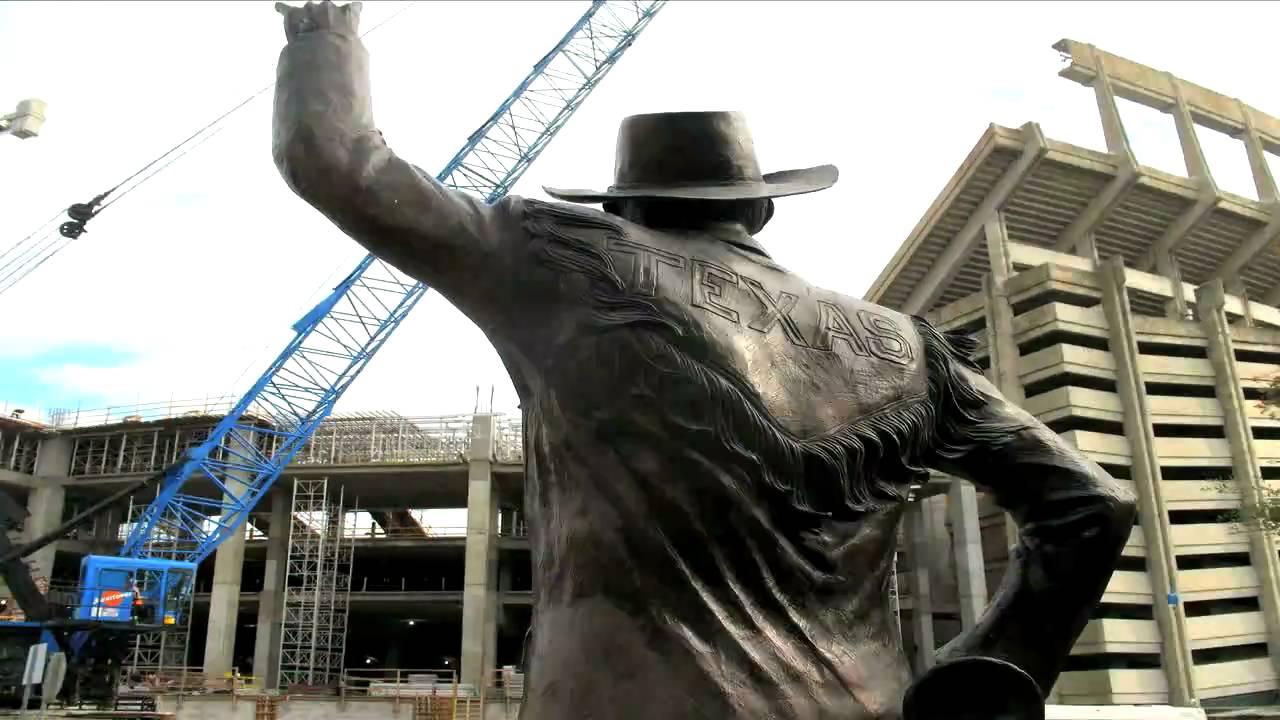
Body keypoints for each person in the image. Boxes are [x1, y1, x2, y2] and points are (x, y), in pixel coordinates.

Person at [271, 3, 1138, 718]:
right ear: (760, 208)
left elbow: (334, 159)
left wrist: (325, 33)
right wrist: (992, 665)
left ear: (625, 204)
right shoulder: (908, 346)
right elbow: (1091, 508)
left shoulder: (561, 258)